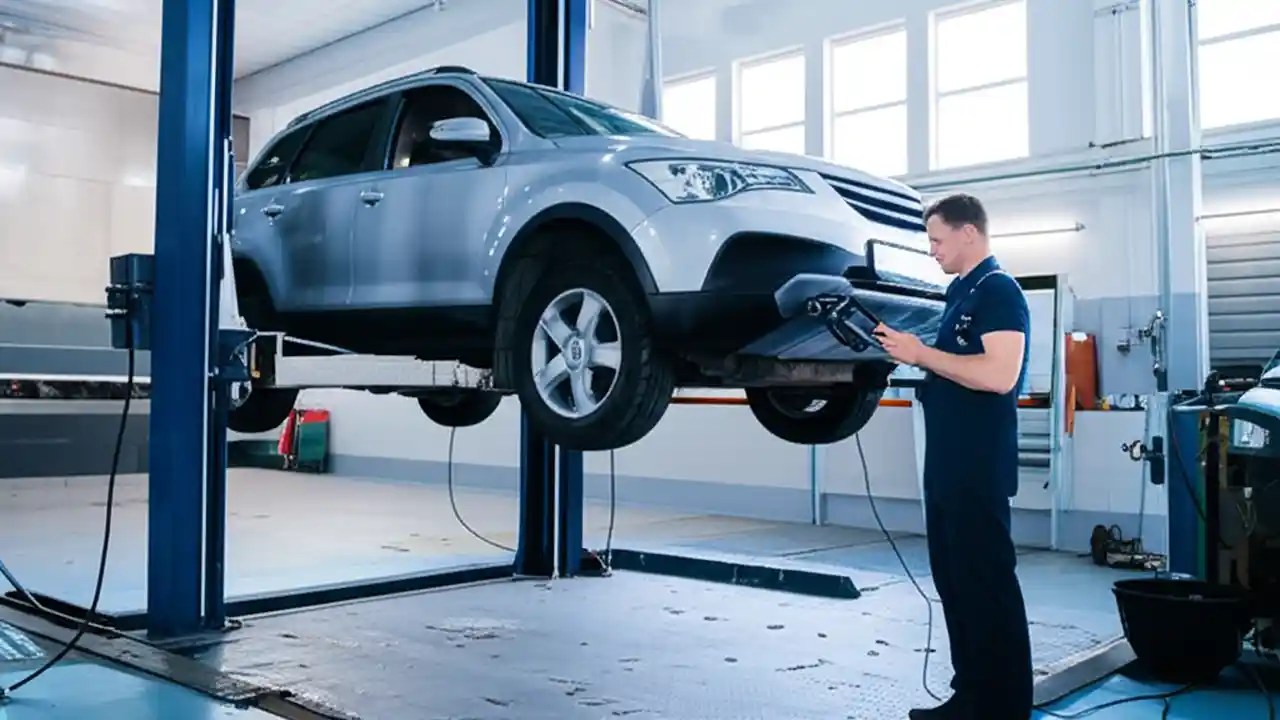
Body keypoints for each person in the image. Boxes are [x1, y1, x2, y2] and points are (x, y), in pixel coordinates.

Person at [873, 194, 1034, 720]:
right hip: (947, 464)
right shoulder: (959, 292)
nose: (933, 251)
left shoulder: (999, 291)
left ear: (969, 233)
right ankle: (972, 696)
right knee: (955, 581)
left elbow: (998, 374)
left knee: (986, 583)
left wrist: (921, 355)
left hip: (976, 467)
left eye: (938, 240)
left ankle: (1004, 705)